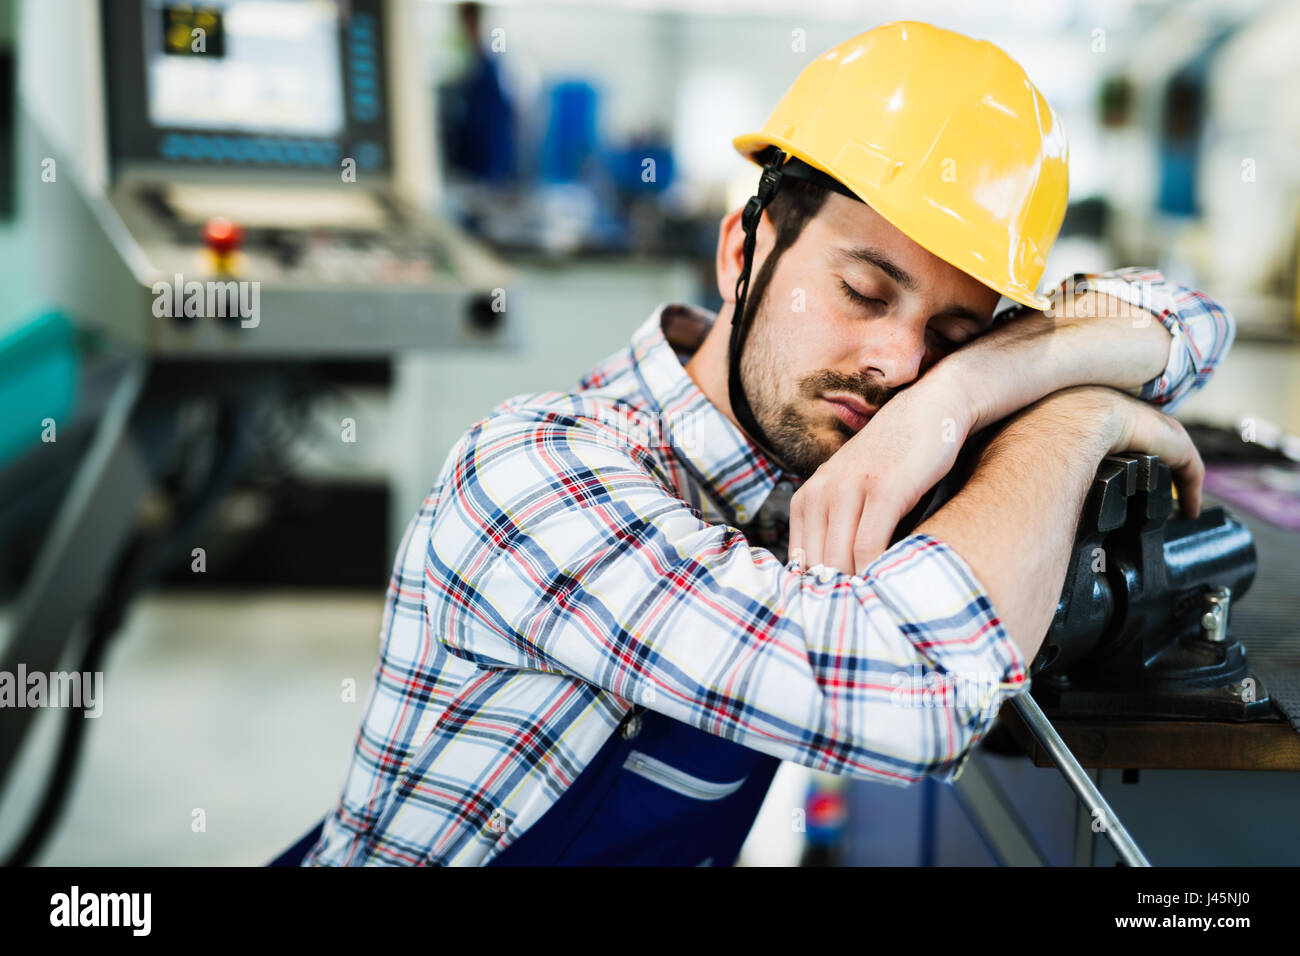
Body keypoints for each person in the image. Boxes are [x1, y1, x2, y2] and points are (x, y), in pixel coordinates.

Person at [303, 21, 1233, 866]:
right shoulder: (533, 473)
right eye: (864, 293)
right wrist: (1079, 416)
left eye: (948, 335)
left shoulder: (848, 453)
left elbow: (1191, 318)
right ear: (743, 256)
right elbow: (915, 695)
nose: (896, 364)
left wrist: (972, 388)